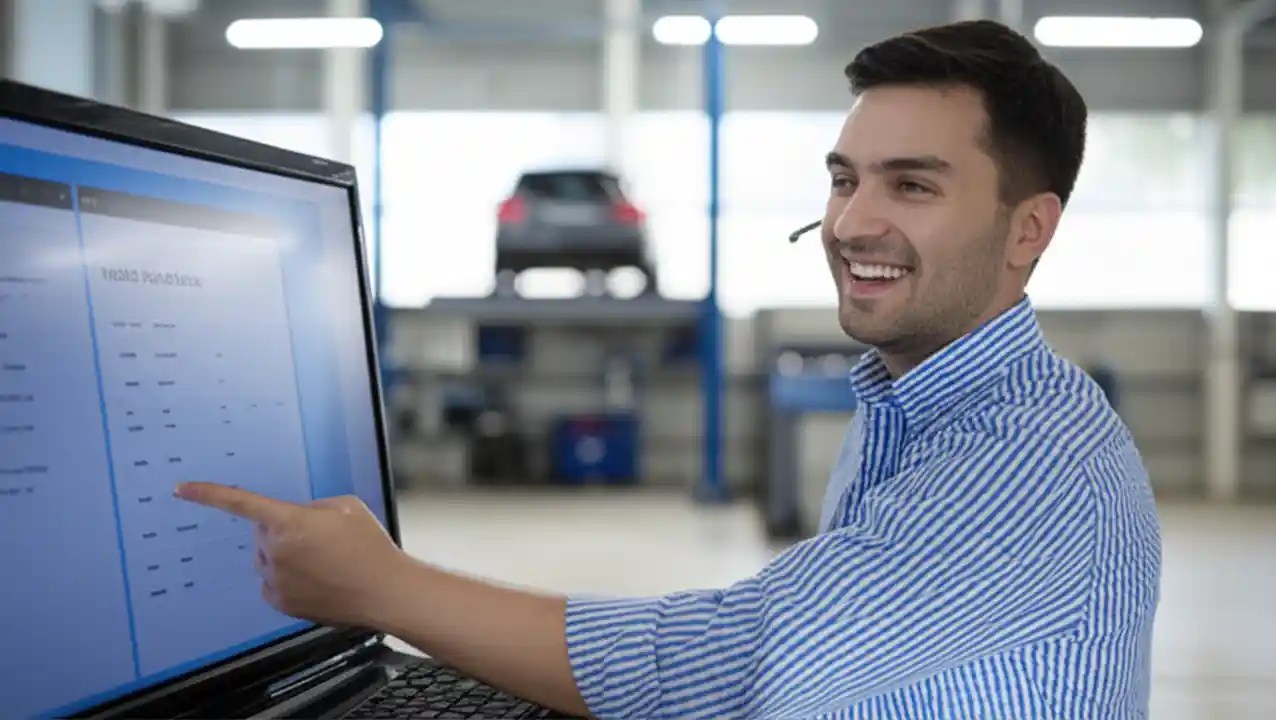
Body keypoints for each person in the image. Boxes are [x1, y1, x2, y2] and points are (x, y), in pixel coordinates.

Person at [177, 19, 1161, 719]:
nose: (852, 221)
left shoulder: (1027, 464)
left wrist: (381, 588)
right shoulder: (914, 401)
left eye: (910, 185)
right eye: (841, 178)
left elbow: (732, 669)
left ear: (1027, 228)